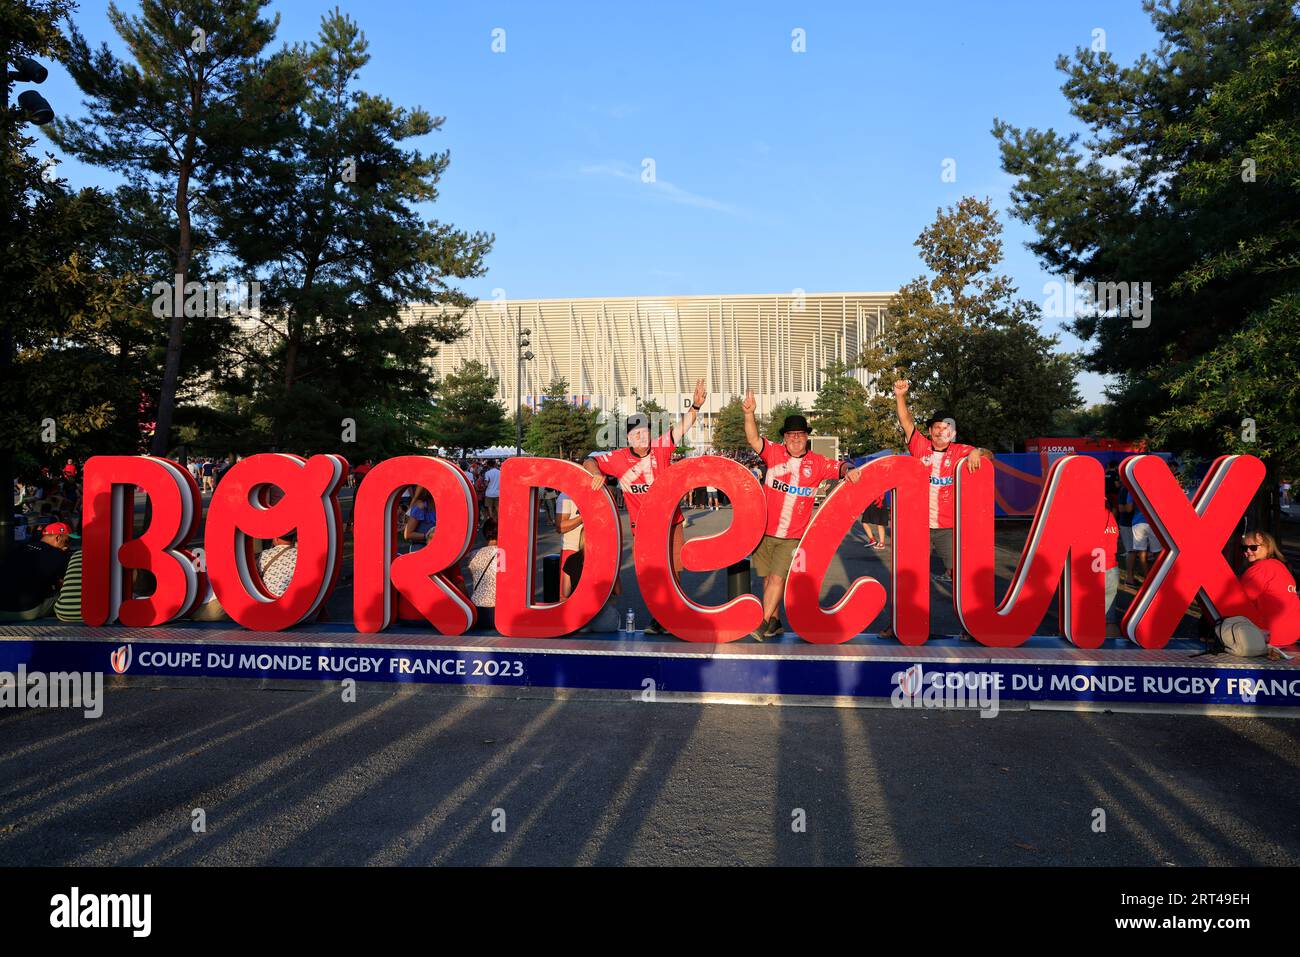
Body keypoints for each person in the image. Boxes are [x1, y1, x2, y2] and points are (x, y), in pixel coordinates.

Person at [585, 379, 707, 635]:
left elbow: (683, 427)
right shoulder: (618, 459)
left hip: (672, 522)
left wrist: (695, 405)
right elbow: (589, 460)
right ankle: (660, 616)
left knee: (674, 571)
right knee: (654, 575)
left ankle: (672, 616)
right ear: (628, 437)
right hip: (644, 527)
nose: (643, 438)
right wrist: (596, 473)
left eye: (646, 432)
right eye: (636, 434)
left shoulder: (661, 447)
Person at [741, 392, 862, 641]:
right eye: (790, 435)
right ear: (784, 439)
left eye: (800, 435)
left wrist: (849, 469)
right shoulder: (773, 453)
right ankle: (775, 622)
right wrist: (749, 413)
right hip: (764, 531)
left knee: (777, 578)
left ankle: (762, 623)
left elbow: (840, 467)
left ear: (807, 437)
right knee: (767, 581)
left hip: (792, 536)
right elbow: (753, 438)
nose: (795, 439)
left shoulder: (817, 463)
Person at [893, 379, 992, 585]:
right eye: (936, 427)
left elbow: (989, 456)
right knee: (912, 573)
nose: (940, 431)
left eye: (945, 428)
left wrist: (978, 451)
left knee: (956, 572)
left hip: (948, 525)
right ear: (930, 431)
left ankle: (966, 611)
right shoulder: (920, 447)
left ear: (952, 433)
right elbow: (906, 422)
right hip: (918, 523)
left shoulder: (960, 451)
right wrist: (900, 396)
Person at [1231, 530, 1299, 655]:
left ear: (1268, 547)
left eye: (1253, 547)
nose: (1248, 551)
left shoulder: (1261, 568)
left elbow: (1239, 601)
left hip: (1272, 635)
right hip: (1291, 634)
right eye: (1244, 548)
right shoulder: (1280, 566)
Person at [0, 521, 73, 621]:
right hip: (26, 611)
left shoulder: (20, 547)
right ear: (58, 538)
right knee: (65, 596)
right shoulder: (57, 555)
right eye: (67, 541)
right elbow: (65, 586)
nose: (68, 546)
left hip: (2, 610)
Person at [467, 519, 500, 630]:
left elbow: (474, 578)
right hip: (496, 610)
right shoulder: (503, 554)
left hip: (477, 610)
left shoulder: (473, 554)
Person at [556, 490, 584, 599]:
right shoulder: (565, 496)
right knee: (566, 595)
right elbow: (560, 527)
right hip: (571, 548)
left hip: (589, 549)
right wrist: (583, 516)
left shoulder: (591, 493)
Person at [255, 531, 298, 598]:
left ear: (276, 539)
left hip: (270, 599)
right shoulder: (299, 555)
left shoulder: (264, 555)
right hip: (292, 598)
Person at [403, 487, 437, 552]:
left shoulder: (442, 507)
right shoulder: (420, 507)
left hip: (436, 548)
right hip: (420, 549)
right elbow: (407, 534)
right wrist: (427, 535)